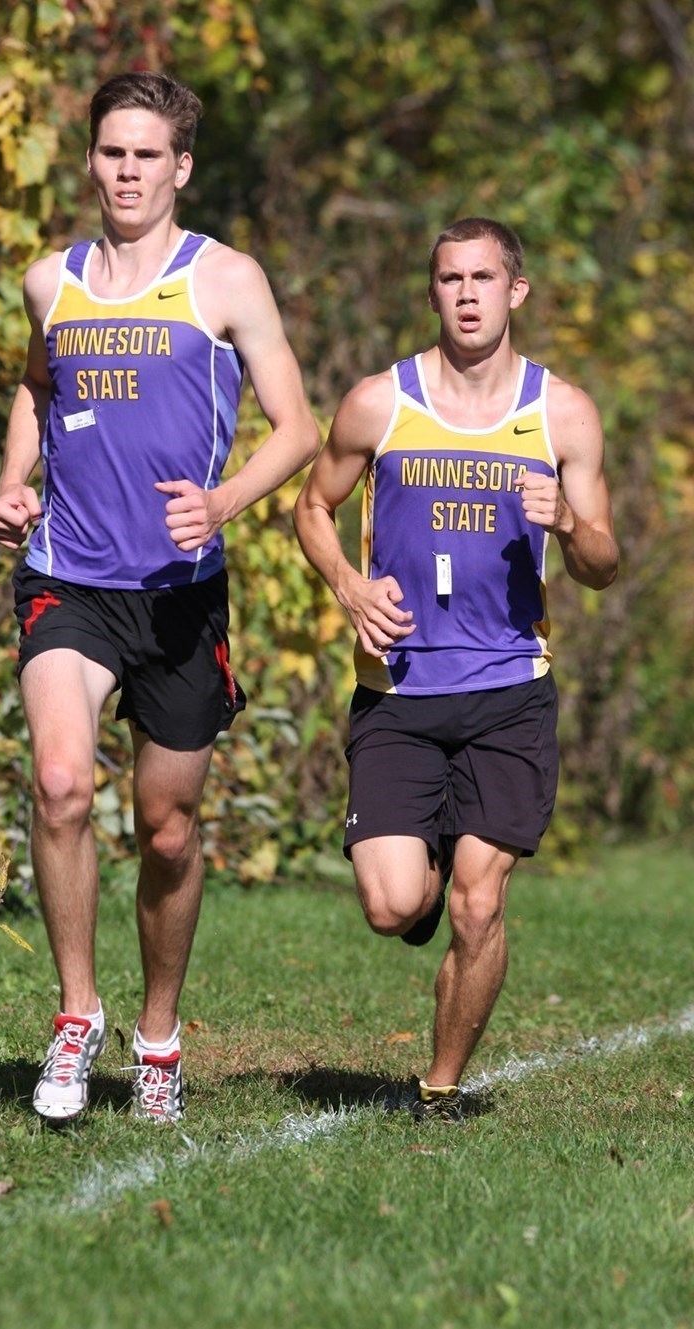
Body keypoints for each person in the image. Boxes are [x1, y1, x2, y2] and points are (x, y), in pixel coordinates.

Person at [0, 71, 318, 1124]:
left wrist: (222, 500)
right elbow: (38, 387)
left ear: (178, 169)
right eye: (108, 152)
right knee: (59, 783)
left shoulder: (225, 281)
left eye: (145, 156)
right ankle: (77, 1018)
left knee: (168, 832)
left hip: (179, 598)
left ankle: (160, 1036)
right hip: (68, 579)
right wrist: (12, 481)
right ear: (90, 160)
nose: (124, 172)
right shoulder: (52, 280)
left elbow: (298, 429)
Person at [293, 218, 617, 1121]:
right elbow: (312, 508)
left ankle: (440, 1086)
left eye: (483, 277)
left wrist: (570, 526)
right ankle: (425, 855)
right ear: (431, 292)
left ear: (517, 290)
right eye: (449, 279)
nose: (467, 294)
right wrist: (349, 588)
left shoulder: (562, 412)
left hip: (510, 692)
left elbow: (602, 562)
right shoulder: (378, 404)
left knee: (480, 904)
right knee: (395, 905)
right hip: (397, 692)